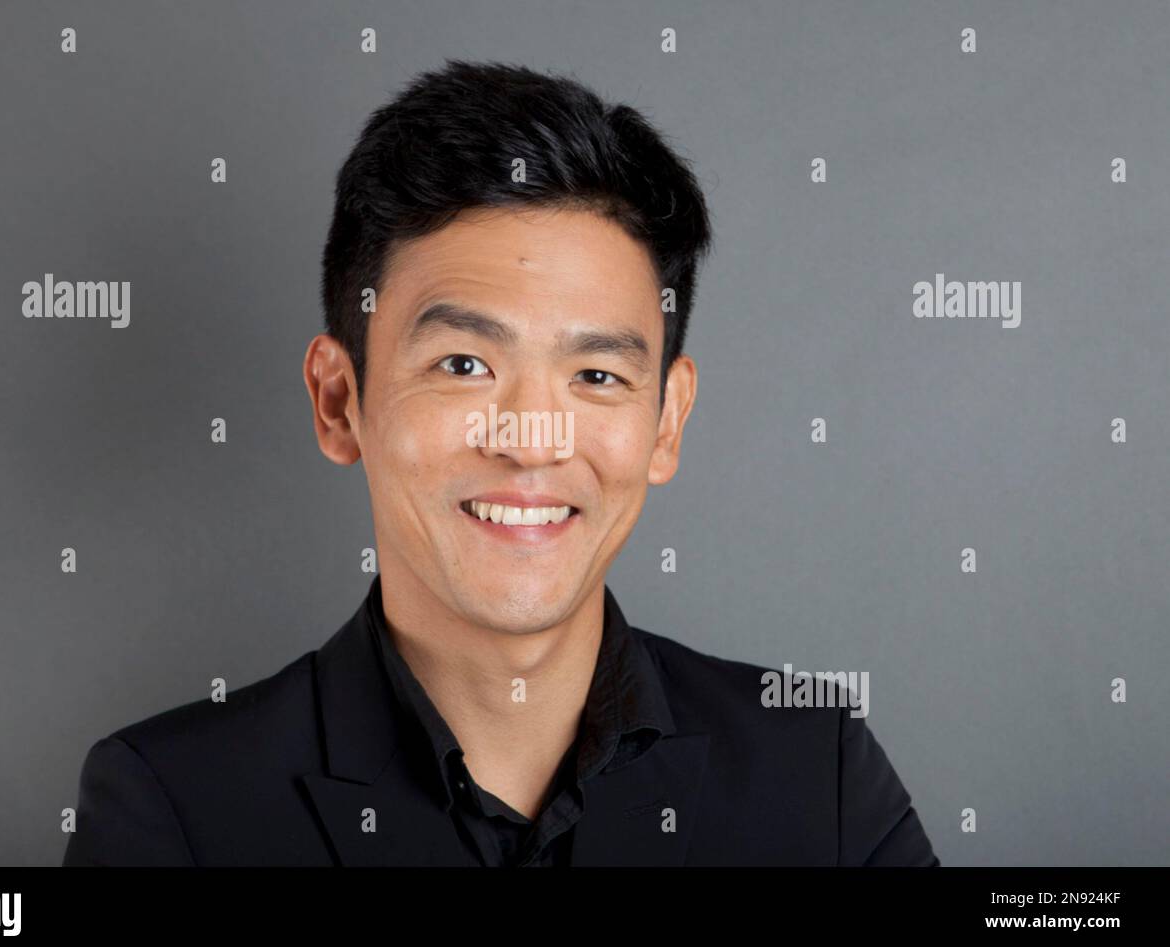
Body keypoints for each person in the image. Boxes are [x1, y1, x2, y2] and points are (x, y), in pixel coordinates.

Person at [64, 59, 938, 866]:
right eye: (463, 366)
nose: (532, 440)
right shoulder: (175, 809)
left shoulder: (815, 774)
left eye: (596, 375)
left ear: (666, 421)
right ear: (339, 401)